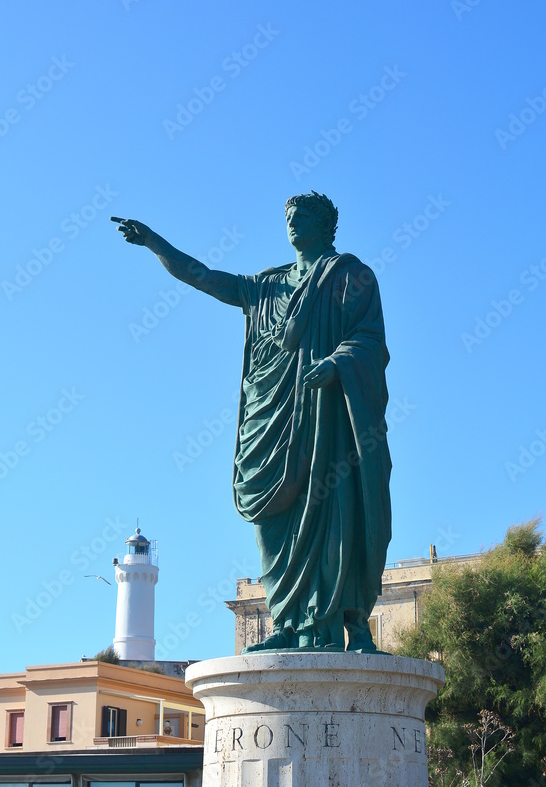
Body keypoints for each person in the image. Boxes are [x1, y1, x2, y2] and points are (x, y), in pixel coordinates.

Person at [112, 192, 392, 652]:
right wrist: (154, 243)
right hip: (271, 419)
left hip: (326, 421)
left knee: (334, 513)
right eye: (288, 217)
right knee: (272, 519)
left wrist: (339, 362)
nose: (293, 224)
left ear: (326, 225)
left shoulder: (349, 276)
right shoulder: (265, 285)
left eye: (302, 216)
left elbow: (370, 340)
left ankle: (345, 620)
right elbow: (204, 277)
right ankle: (285, 623)